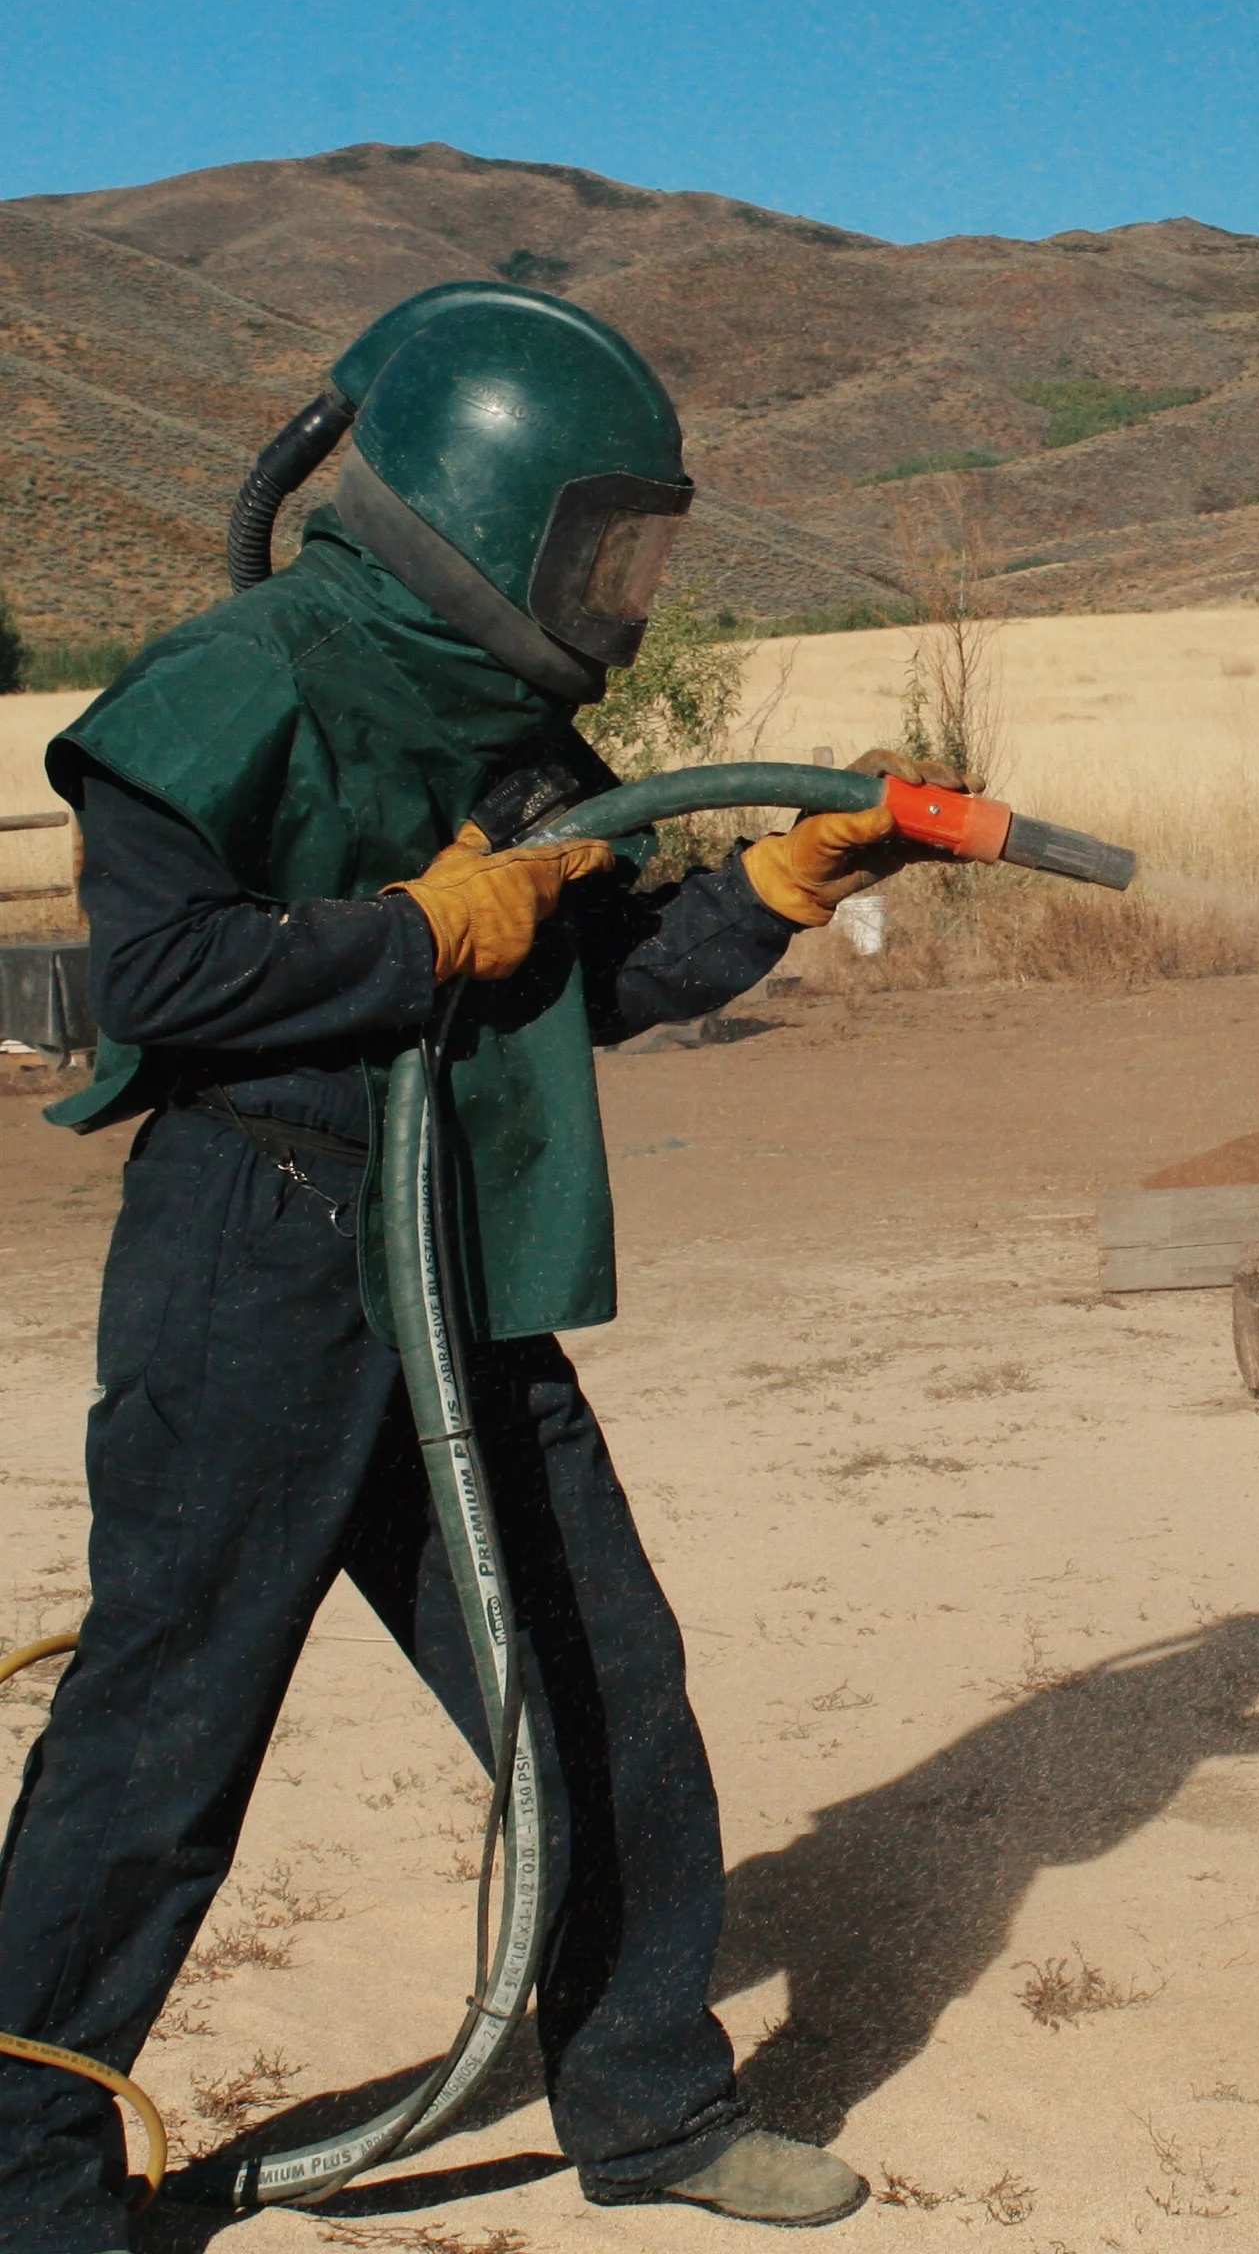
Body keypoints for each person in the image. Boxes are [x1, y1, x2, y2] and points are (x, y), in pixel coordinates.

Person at [0, 284, 957, 2250]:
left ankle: (648, 2104)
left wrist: (770, 891)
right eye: (599, 544)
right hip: (253, 1259)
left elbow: (579, 977)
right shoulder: (240, 674)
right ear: (485, 496)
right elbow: (159, 980)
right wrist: (409, 937)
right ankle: (24, 2181)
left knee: (600, 1688)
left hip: (458, 1262)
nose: (618, 585)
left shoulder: (514, 728)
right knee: (164, 1739)